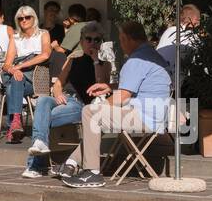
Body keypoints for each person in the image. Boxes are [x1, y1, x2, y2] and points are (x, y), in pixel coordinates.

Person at [60, 20, 173, 189]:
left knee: (90, 113)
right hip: (155, 115)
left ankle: (92, 172)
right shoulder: (152, 56)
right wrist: (109, 87)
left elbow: (122, 97)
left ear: (127, 38)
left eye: (120, 40)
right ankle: (70, 163)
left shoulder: (136, 60)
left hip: (144, 117)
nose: (121, 45)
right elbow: (134, 87)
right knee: (98, 118)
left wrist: (101, 105)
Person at [22, 21, 110, 178]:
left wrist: (96, 59)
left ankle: (36, 165)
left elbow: (100, 83)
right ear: (82, 41)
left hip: (80, 105)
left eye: (97, 40)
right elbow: (58, 84)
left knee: (42, 119)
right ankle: (39, 150)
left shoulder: (104, 65)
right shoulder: (73, 60)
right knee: (43, 101)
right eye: (88, 39)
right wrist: (57, 94)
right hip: (64, 98)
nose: (92, 43)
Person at [0, 6, 50, 142]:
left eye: (27, 17)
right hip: (21, 79)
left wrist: (20, 66)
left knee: (12, 85)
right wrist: (13, 69)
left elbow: (45, 55)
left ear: (34, 18)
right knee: (16, 80)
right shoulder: (15, 37)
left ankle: (14, 126)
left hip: (38, 79)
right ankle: (16, 122)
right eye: (20, 18)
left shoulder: (43, 34)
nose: (24, 20)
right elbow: (6, 64)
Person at [156, 3, 202, 69]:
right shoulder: (191, 37)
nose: (199, 24)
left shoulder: (168, 31)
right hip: (176, 77)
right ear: (194, 20)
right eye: (198, 20)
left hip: (157, 73)